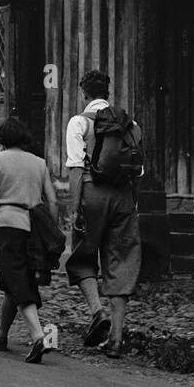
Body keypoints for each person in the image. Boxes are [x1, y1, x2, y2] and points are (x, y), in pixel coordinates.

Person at [64, 70, 142, 358]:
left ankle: (98, 312)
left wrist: (74, 209)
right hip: (123, 198)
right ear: (107, 92)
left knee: (82, 257)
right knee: (120, 263)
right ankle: (116, 339)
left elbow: (75, 168)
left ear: (83, 93)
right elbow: (138, 171)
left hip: (91, 194)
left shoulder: (79, 122)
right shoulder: (129, 125)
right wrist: (132, 204)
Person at [0, 116, 58, 364]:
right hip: (32, 228)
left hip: (7, 226)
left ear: (2, 139)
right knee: (13, 278)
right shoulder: (39, 163)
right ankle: (1, 334)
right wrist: (50, 229)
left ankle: (38, 335)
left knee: (17, 280)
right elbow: (52, 201)